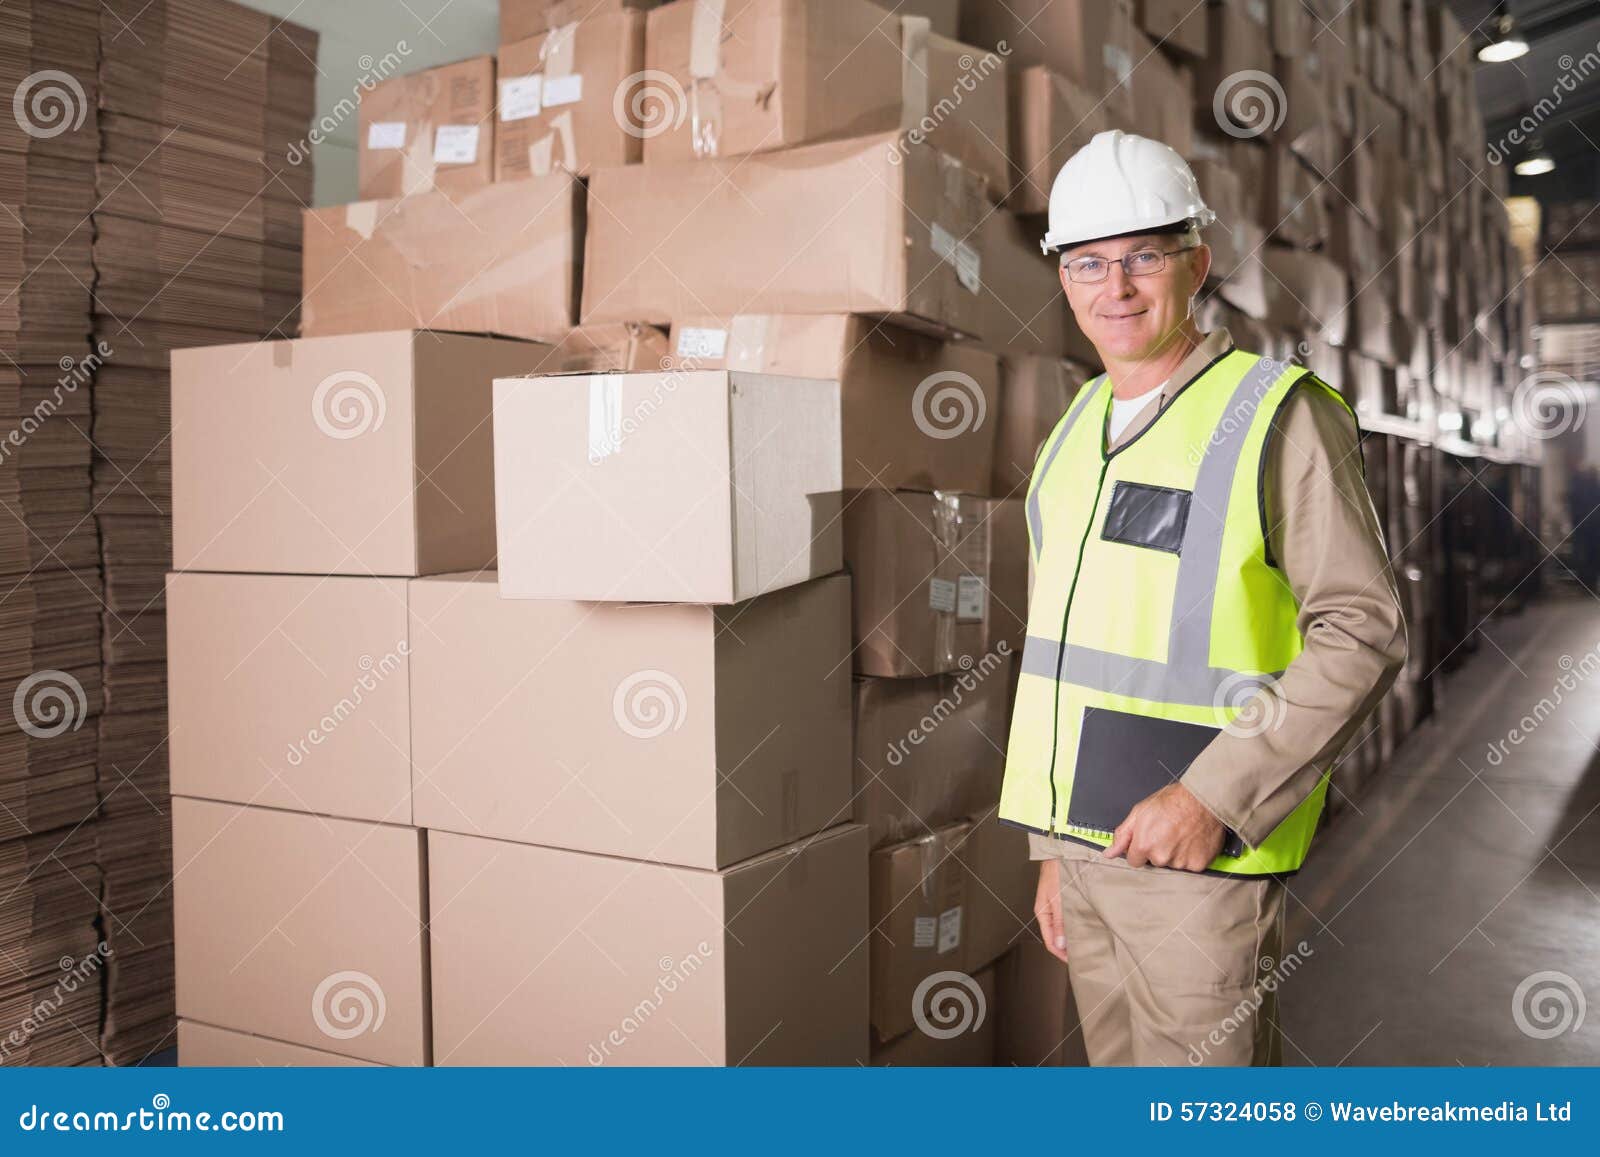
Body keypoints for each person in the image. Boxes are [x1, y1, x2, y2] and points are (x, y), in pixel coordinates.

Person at [997, 131, 1407, 1066]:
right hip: (1084, 851)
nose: (1118, 288)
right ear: (1064, 277)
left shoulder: (1277, 412)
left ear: (1198, 262)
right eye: (1090, 262)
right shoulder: (1074, 428)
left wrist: (1214, 797)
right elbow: (1066, 652)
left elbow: (1362, 630)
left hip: (1195, 854)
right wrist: (1053, 849)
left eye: (1144, 256)